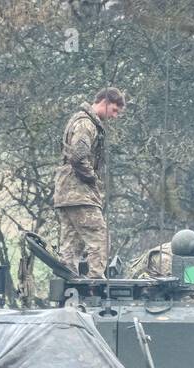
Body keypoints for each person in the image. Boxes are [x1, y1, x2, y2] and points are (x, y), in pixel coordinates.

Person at [53, 87, 125, 277]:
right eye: (115, 110)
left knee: (71, 244)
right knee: (99, 237)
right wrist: (92, 178)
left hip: (66, 194)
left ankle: (68, 280)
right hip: (80, 194)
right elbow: (78, 156)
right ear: (105, 102)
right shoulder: (87, 124)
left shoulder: (79, 120)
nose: (115, 116)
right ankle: (95, 282)